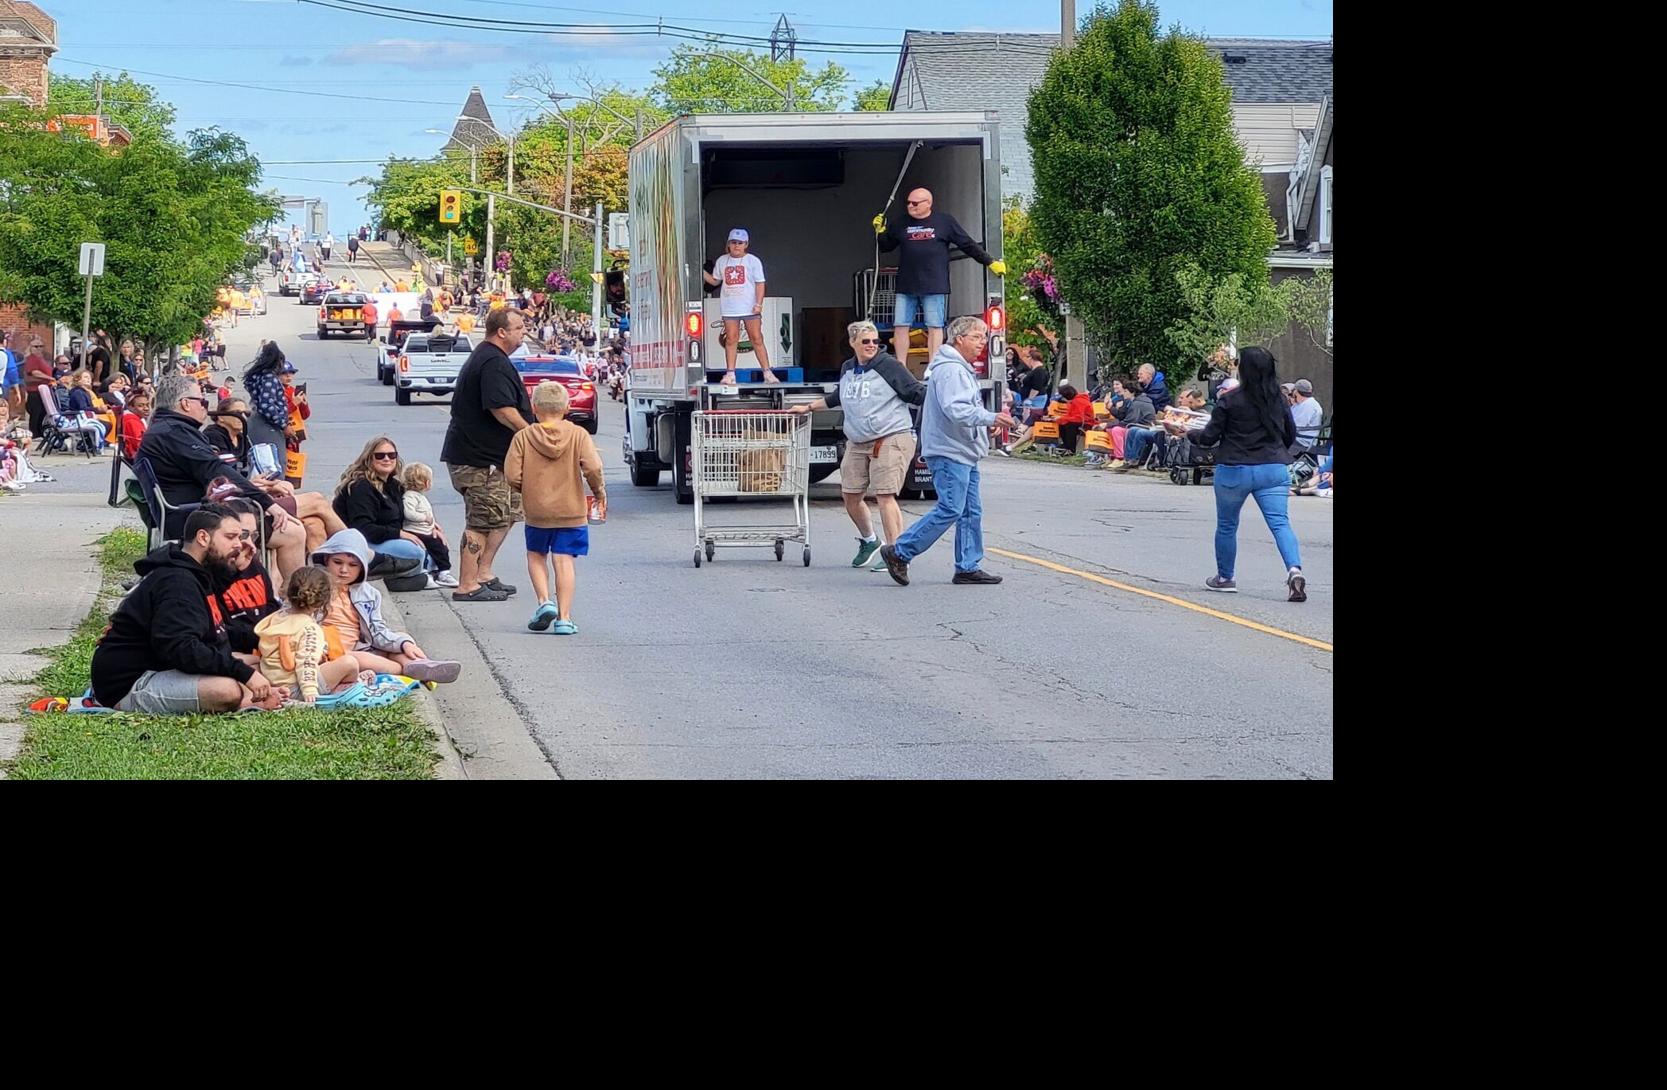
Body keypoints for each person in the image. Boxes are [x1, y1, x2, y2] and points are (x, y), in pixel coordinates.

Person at [90, 504, 285, 712]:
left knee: (255, 664)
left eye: (242, 537)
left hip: (165, 667)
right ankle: (249, 701)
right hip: (129, 683)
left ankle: (255, 696)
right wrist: (244, 675)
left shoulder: (199, 573)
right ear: (203, 538)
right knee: (226, 690)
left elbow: (216, 632)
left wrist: (268, 641)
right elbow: (181, 648)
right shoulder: (176, 583)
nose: (240, 545)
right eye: (231, 537)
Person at [1160, 345, 1305, 602]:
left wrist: (1185, 433)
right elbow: (1290, 434)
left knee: (1227, 525)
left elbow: (1209, 437)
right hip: (1272, 467)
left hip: (1234, 468)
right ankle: (1294, 570)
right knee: (1280, 523)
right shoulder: (1279, 400)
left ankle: (1225, 577)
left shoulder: (1229, 400)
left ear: (1244, 370)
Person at [879, 316, 1015, 587]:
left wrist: (984, 425)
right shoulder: (951, 370)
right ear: (959, 339)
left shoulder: (955, 367)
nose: (982, 343)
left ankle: (967, 565)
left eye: (984, 337)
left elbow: (958, 409)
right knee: (951, 508)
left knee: (969, 511)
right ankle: (900, 550)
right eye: (977, 337)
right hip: (950, 450)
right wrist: (990, 418)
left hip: (960, 449)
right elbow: (956, 409)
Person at [135, 374, 307, 584]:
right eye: (203, 401)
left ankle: (321, 596)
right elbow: (216, 470)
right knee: (294, 531)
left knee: (311, 522)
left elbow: (215, 473)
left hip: (197, 510)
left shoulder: (167, 429)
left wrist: (260, 492)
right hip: (196, 517)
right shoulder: (174, 432)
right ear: (186, 404)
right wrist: (267, 502)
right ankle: (300, 603)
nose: (206, 408)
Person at [790, 320, 925, 567]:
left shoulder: (890, 366)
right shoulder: (848, 368)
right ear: (853, 343)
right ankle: (870, 540)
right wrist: (808, 407)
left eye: (875, 341)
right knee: (850, 495)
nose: (872, 345)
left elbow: (917, 393)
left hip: (890, 436)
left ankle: (896, 553)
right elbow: (837, 396)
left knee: (885, 495)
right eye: (866, 341)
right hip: (858, 439)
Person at [440, 306, 532, 602]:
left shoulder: (495, 359)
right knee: (481, 520)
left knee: (507, 514)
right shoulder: (491, 361)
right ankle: (467, 583)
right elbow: (501, 409)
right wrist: (531, 435)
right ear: (501, 332)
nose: (524, 332)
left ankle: (484, 573)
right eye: (519, 328)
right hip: (479, 461)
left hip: (497, 460)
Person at [506, 381, 605, 634]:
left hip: (537, 511)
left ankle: (543, 602)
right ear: (567, 407)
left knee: (536, 554)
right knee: (564, 561)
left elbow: (511, 474)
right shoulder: (578, 435)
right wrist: (598, 493)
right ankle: (564, 618)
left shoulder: (523, 437)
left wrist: (528, 490)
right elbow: (593, 468)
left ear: (534, 407)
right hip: (571, 509)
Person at [311, 529, 462, 681]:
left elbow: (377, 631)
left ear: (362, 567)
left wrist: (403, 644)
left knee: (401, 643)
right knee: (364, 660)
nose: (344, 570)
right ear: (326, 559)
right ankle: (403, 670)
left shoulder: (369, 594)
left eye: (353, 565)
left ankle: (422, 665)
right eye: (337, 563)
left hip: (360, 647)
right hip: (327, 650)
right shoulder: (314, 587)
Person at [874, 188, 1006, 361]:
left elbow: (966, 244)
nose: (910, 206)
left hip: (934, 284)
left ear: (928, 203)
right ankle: (901, 365)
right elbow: (886, 247)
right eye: (908, 202)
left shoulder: (944, 222)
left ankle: (933, 365)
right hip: (906, 284)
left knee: (935, 326)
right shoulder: (901, 223)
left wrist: (989, 261)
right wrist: (880, 232)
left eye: (915, 203)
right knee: (900, 325)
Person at [255, 567, 375, 704]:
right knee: (350, 663)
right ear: (323, 602)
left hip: (276, 683)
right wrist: (310, 691)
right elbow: (306, 660)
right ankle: (347, 687)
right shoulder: (309, 629)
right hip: (297, 688)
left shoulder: (277, 617)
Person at [332, 436, 438, 585]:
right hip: (364, 542)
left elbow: (408, 513)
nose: (386, 459)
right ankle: (404, 578)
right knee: (416, 553)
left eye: (391, 455)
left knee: (433, 550)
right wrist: (399, 534)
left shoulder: (393, 485)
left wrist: (431, 527)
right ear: (369, 458)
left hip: (387, 538)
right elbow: (362, 528)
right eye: (380, 455)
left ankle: (412, 575)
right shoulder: (360, 487)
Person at [702, 228, 779, 387]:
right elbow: (715, 281)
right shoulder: (722, 261)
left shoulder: (753, 261)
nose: (736, 246)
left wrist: (758, 304)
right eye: (733, 243)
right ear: (728, 244)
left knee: (757, 338)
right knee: (731, 339)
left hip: (750, 307)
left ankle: (767, 372)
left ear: (746, 244)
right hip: (730, 307)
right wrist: (699, 270)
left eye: (740, 243)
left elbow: (760, 283)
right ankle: (730, 374)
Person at [213, 497, 281, 655]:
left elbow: (271, 607)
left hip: (264, 645)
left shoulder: (253, 564)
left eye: (253, 536)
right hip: (233, 652)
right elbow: (218, 633)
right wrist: (262, 638)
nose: (251, 545)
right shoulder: (208, 574)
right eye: (242, 535)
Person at [400, 462, 457, 587]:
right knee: (424, 550)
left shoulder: (419, 496)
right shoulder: (409, 497)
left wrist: (434, 524)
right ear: (425, 483)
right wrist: (425, 518)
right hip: (415, 530)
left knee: (441, 547)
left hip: (425, 529)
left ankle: (443, 572)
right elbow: (409, 514)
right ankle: (424, 573)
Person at [242, 342, 290, 457]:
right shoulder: (269, 378)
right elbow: (267, 405)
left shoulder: (257, 377)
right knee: (273, 464)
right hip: (268, 427)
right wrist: (284, 425)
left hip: (256, 424)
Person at [1052, 384, 1096, 455]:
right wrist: (1060, 419)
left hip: (1087, 423)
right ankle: (1066, 446)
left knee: (1069, 425)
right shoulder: (1076, 400)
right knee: (1063, 423)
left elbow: (1078, 418)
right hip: (1082, 421)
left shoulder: (1078, 401)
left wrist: (1061, 418)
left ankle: (1071, 449)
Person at [117, 389, 150, 461]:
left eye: (147, 405)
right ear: (131, 407)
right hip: (140, 456)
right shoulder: (131, 420)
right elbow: (138, 444)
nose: (146, 408)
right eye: (140, 406)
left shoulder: (138, 418)